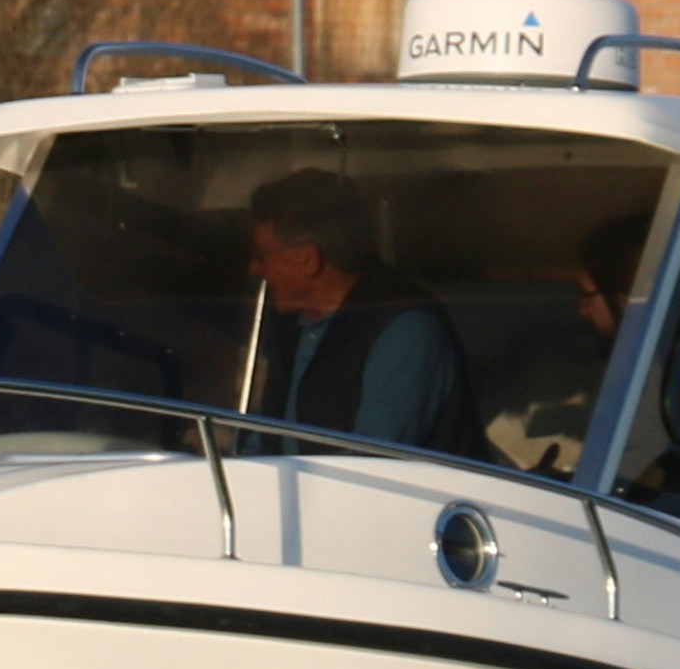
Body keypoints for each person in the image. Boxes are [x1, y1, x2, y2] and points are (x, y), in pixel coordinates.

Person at [241, 169, 468, 457]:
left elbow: (372, 465)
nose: (254, 269)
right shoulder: (288, 325)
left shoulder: (405, 331)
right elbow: (265, 438)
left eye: (262, 255)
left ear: (308, 259)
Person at [484, 207, 650, 473]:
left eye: (587, 296)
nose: (581, 310)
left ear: (624, 299)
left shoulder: (655, 393)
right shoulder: (558, 364)